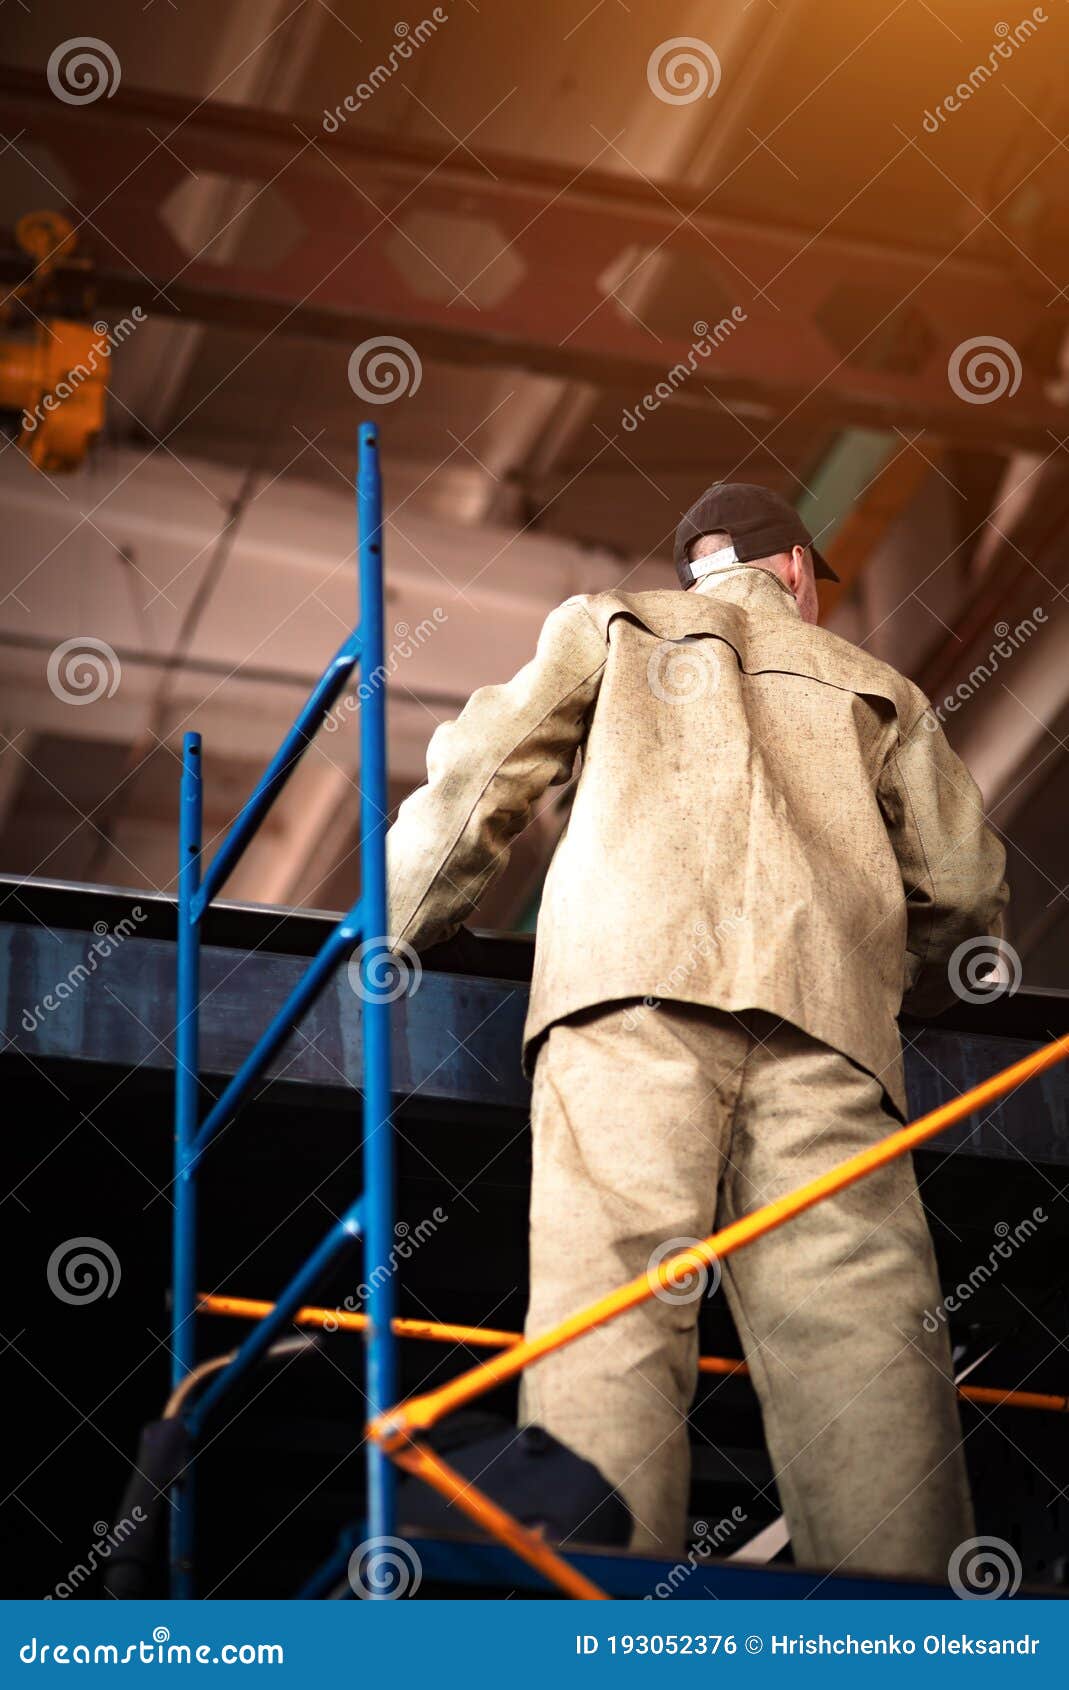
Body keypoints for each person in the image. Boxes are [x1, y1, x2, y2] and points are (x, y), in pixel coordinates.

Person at [385, 482, 1008, 1580]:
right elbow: (963, 896)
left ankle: (591, 1591)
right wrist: (874, 981)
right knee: (859, 1333)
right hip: (828, 1032)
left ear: (702, 571)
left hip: (626, 996)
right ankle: (912, 1621)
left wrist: (398, 924)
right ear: (797, 573)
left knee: (615, 1301)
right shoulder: (879, 688)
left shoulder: (612, 625)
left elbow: (483, 772)